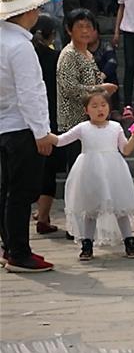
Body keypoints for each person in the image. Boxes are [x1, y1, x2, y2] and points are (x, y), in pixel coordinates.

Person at [0, 0, 56, 273]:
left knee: (7, 190)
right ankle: (19, 252)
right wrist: (42, 132)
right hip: (22, 127)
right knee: (21, 193)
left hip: (5, 125)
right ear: (28, 11)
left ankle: (10, 246)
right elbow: (30, 93)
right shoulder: (20, 46)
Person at [49, 90, 134, 259]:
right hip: (89, 172)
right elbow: (61, 140)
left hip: (114, 172)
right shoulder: (83, 128)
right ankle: (87, 243)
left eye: (104, 105)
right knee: (90, 209)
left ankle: (129, 240)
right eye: (95, 106)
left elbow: (126, 149)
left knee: (120, 208)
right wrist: (43, 134)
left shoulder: (115, 127)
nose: (100, 109)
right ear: (86, 110)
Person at [56, 10, 116, 173]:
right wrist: (100, 89)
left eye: (88, 27)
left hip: (90, 121)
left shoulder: (87, 53)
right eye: (80, 27)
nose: (85, 31)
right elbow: (70, 88)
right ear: (69, 30)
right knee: (79, 172)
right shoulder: (69, 55)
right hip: (74, 123)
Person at [30, 16, 64, 235]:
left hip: (23, 120)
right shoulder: (56, 58)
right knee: (49, 170)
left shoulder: (25, 54)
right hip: (51, 117)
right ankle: (43, 216)